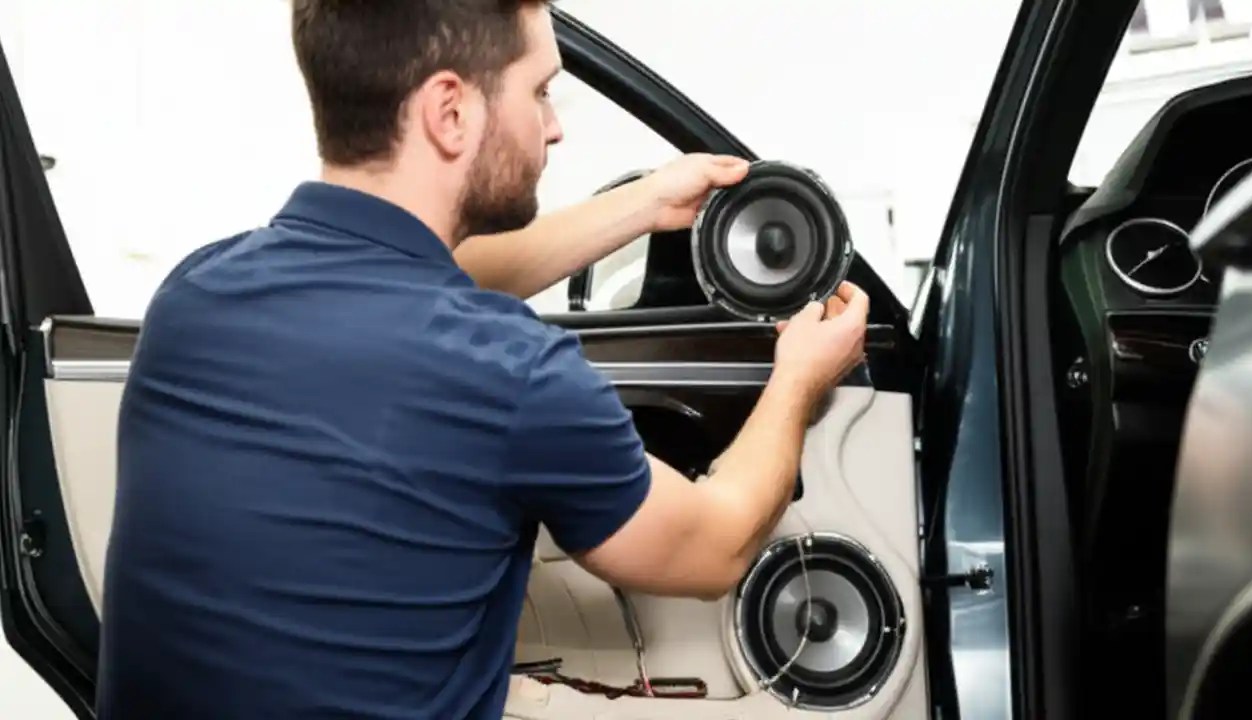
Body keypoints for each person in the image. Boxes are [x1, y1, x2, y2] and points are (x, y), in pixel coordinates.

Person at [95, 1, 870, 718]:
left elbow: (424, 273)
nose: (554, 129)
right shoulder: (511, 371)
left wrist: (647, 203)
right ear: (452, 112)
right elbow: (717, 547)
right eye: (540, 92)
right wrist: (800, 378)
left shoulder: (196, 295)